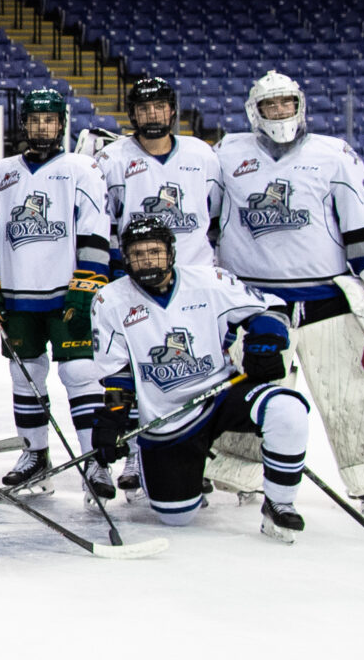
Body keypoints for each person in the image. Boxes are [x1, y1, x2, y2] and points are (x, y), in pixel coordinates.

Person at [212, 70, 364, 503]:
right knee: (250, 391)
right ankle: (234, 471)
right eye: (271, 105)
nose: (280, 112)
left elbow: (362, 216)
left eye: (287, 103)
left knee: (351, 392)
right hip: (255, 303)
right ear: (255, 111)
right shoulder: (227, 154)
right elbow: (204, 218)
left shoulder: (334, 155)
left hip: (326, 301)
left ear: (300, 106)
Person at [91, 214, 308, 539]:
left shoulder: (210, 281)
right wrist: (114, 416)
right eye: (138, 253)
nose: (147, 260)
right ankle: (188, 469)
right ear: (126, 257)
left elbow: (271, 308)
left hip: (221, 393)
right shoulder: (109, 302)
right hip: (168, 418)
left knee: (288, 409)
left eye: (155, 251)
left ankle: (280, 504)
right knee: (176, 517)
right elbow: (117, 373)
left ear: (171, 252)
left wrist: (264, 340)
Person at [0, 89, 112, 496]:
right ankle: (35, 455)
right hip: (17, 297)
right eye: (35, 120)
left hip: (66, 295)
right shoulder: (1, 172)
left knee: (81, 373)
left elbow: (94, 232)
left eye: (49, 120)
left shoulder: (81, 168)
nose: (42, 126)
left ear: (61, 124)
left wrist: (87, 285)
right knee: (24, 374)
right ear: (25, 124)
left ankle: (93, 461)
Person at [100, 76, 222, 267]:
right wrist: (117, 265)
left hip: (197, 271)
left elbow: (216, 221)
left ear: (172, 110)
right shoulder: (111, 159)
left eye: (159, 106)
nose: (152, 114)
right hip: (138, 274)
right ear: (133, 114)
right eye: (144, 108)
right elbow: (107, 227)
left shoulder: (202, 154)